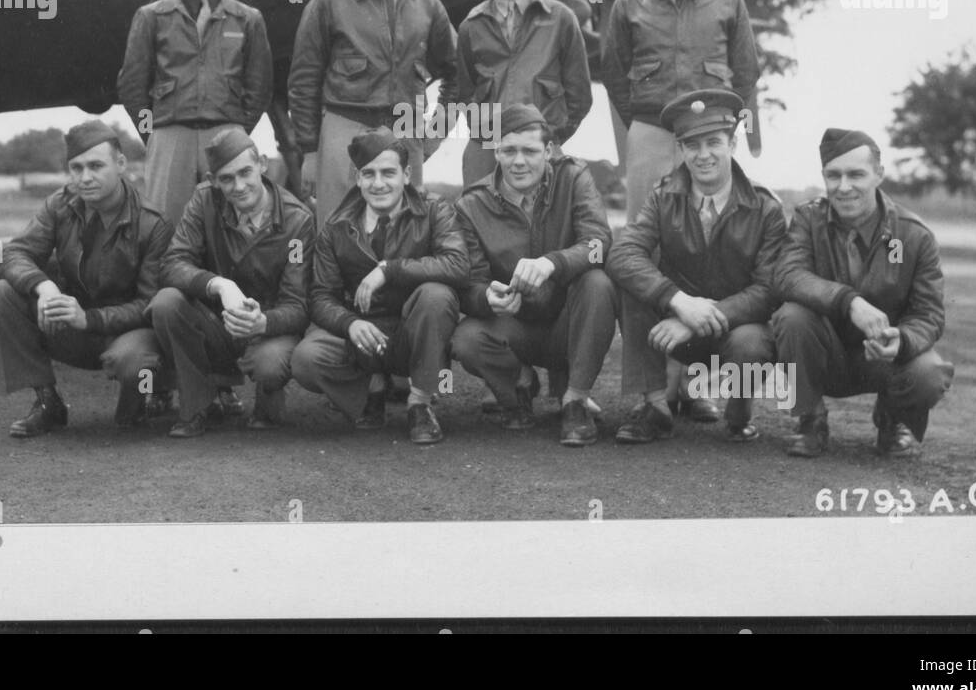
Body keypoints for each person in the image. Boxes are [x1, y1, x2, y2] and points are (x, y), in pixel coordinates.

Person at [607, 90, 786, 444]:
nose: (703, 155)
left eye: (713, 142)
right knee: (630, 278)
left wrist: (701, 317)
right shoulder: (663, 196)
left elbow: (769, 290)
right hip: (674, 320)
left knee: (752, 342)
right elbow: (623, 253)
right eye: (691, 145)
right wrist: (677, 301)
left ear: (732, 144)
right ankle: (656, 406)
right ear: (681, 149)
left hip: (733, 328)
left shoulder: (767, 208)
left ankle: (739, 408)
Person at [0, 119, 173, 437]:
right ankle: (47, 402)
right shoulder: (60, 204)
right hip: (73, 326)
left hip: (126, 334)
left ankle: (147, 393)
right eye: (77, 167)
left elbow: (149, 305)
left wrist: (90, 318)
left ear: (121, 164)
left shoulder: (153, 223)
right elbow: (14, 253)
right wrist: (45, 288)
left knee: (134, 370)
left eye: (96, 166)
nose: (85, 178)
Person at [772, 128, 953, 458]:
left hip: (882, 357)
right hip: (823, 351)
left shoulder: (911, 236)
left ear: (879, 175)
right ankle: (810, 419)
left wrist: (904, 341)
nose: (843, 187)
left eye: (856, 174)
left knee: (929, 374)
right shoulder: (808, 219)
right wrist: (849, 301)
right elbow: (788, 275)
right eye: (833, 175)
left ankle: (892, 419)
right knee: (791, 317)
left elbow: (929, 313)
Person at [287, 0, 457, 224]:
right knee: (337, 236)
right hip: (344, 128)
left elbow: (459, 74)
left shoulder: (427, 5)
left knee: (405, 240)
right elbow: (303, 83)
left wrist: (433, 134)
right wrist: (309, 150)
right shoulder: (329, 0)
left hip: (404, 131)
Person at [290, 127, 468, 445]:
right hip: (364, 335)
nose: (379, 183)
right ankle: (368, 390)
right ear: (358, 179)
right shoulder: (335, 226)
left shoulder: (435, 209)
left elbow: (457, 265)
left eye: (388, 172)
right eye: (368, 174)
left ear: (407, 174)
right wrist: (350, 323)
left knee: (436, 295)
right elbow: (320, 295)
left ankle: (420, 402)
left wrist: (391, 269)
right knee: (306, 358)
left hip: (415, 332)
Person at [451, 104, 615, 446]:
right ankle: (516, 392)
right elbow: (469, 284)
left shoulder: (574, 177)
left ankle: (575, 400)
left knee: (598, 283)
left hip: (567, 319)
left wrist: (553, 262)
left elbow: (599, 243)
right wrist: (487, 298)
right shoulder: (471, 204)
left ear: (550, 151)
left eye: (530, 150)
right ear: (496, 151)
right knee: (466, 339)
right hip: (514, 324)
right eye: (508, 151)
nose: (519, 161)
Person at [601, 0, 760, 219]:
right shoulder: (628, 3)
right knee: (643, 235)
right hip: (651, 134)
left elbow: (746, 72)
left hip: (710, 133)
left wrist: (723, 129)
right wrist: (643, 126)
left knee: (713, 231)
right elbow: (614, 73)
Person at [149, 127, 314, 438]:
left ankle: (267, 398)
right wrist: (219, 285)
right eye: (226, 178)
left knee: (269, 368)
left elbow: (300, 305)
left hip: (268, 330)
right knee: (166, 302)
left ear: (263, 164)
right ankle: (197, 405)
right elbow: (172, 263)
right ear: (214, 180)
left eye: (245, 173)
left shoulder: (298, 222)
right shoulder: (204, 201)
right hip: (217, 323)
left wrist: (262, 322)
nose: (238, 186)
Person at [117, 0, 273, 229]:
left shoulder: (247, 18)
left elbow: (260, 87)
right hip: (170, 134)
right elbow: (132, 86)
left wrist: (236, 134)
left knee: (232, 228)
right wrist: (158, 136)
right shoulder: (152, 16)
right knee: (163, 230)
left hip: (226, 131)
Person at [454, 0, 592, 181]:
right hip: (486, 153)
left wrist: (547, 137)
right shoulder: (471, 27)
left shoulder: (560, 19)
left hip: (539, 151)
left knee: (543, 221)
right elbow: (465, 94)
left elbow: (580, 96)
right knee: (478, 219)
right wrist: (487, 134)